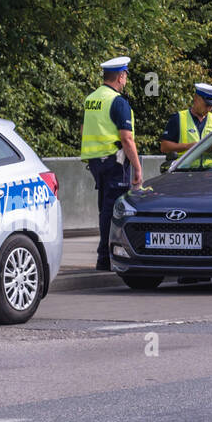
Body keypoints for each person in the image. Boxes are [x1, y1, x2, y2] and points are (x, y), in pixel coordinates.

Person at [81, 56, 143, 271]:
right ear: (120, 76)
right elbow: (126, 138)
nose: (126, 79)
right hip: (115, 162)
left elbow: (84, 130)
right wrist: (137, 167)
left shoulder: (92, 98)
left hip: (96, 162)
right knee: (115, 211)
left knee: (104, 210)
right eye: (125, 75)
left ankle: (104, 257)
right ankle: (107, 257)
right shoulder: (118, 101)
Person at [159, 83, 212, 171]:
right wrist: (189, 146)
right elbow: (164, 147)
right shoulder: (178, 118)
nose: (209, 108)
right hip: (185, 173)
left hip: (211, 174)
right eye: (207, 105)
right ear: (196, 98)